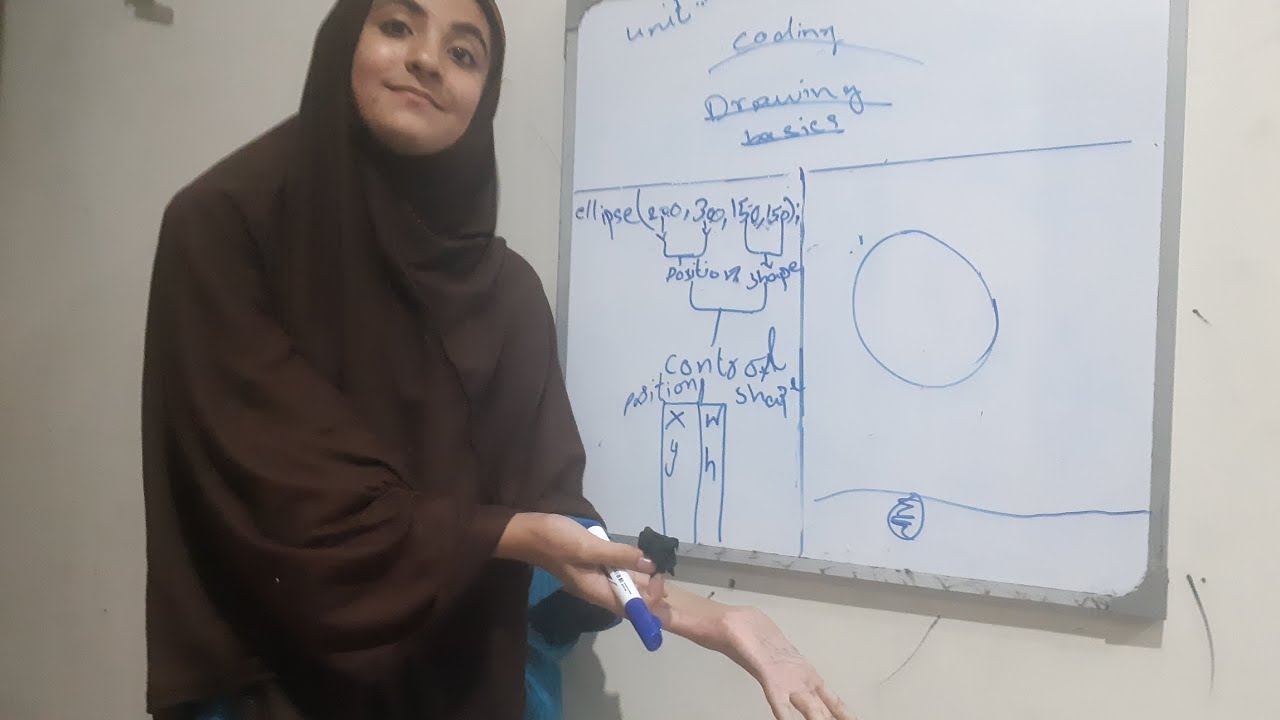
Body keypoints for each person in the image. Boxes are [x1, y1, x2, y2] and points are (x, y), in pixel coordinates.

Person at [139, 1, 852, 719]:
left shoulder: (503, 292)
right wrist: (516, 535)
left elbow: (552, 514)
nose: (426, 60)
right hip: (275, 680)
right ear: (343, 40)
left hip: (459, 682)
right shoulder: (228, 229)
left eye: (464, 53)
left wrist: (716, 618)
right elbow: (293, 499)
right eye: (397, 26)